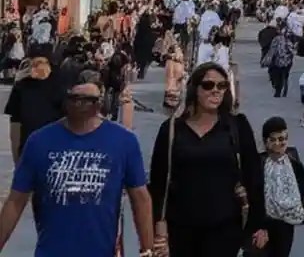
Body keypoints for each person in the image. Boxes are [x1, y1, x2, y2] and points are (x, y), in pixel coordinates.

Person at [0, 70, 154, 257]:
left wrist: (147, 249)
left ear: (100, 102)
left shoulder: (124, 141)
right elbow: (16, 201)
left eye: (89, 99)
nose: (81, 104)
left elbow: (140, 198)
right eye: (76, 98)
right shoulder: (40, 141)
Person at [149, 62, 267, 257]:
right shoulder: (171, 129)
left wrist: (259, 225)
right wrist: (158, 228)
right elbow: (159, 182)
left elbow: (254, 177)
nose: (216, 91)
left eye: (222, 86)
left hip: (224, 226)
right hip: (180, 228)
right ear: (195, 88)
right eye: (208, 85)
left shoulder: (237, 126)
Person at [251, 117, 304, 257]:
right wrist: (260, 227)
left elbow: (303, 191)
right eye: (274, 140)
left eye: (283, 138)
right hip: (264, 224)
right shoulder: (258, 165)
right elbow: (254, 197)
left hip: (285, 225)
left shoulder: (294, 164)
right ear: (266, 142)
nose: (280, 143)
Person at [4, 48, 64, 162]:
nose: (39, 67)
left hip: (54, 149)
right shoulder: (21, 87)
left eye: (42, 63)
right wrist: (17, 158)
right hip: (29, 147)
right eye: (35, 63)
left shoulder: (60, 86)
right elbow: (15, 124)